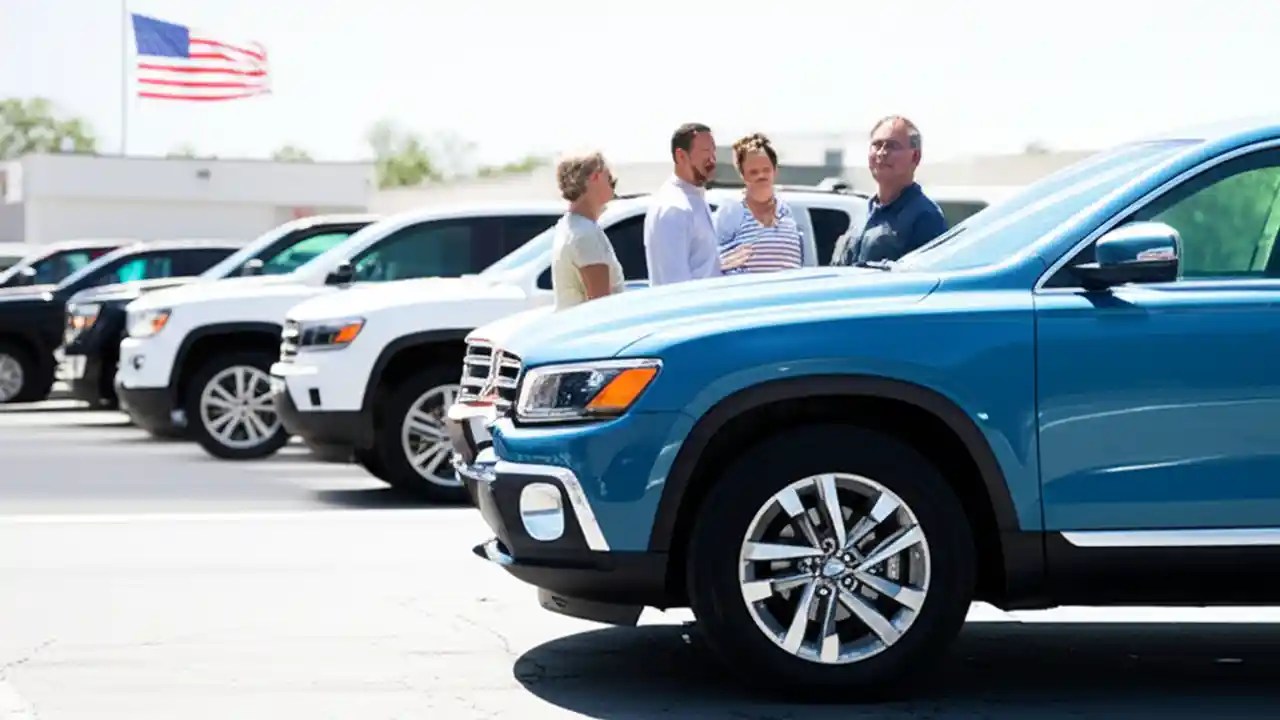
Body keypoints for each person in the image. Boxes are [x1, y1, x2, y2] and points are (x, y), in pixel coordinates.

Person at [831, 115, 948, 266]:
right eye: (877, 145)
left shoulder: (925, 217)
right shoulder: (864, 213)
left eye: (892, 146)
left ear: (915, 157)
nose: (881, 153)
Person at [643, 122, 750, 286]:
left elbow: (698, 267)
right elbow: (675, 286)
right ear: (681, 156)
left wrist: (720, 264)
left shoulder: (694, 198)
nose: (712, 159)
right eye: (705, 151)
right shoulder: (674, 208)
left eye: (714, 151)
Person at [713, 132, 805, 275]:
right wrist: (721, 262)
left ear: (775, 170)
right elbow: (708, 259)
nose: (761, 176)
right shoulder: (732, 211)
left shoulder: (786, 212)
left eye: (766, 170)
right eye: (753, 172)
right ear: (743, 175)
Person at [549, 150, 625, 310]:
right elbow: (600, 306)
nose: (613, 188)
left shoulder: (570, 226)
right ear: (595, 177)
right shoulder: (585, 234)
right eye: (610, 180)